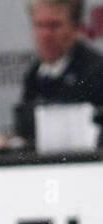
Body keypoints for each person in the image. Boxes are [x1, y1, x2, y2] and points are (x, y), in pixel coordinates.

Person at [16, 0, 103, 144]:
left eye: (54, 26)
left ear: (77, 29)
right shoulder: (34, 73)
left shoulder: (97, 72)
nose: (45, 35)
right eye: (39, 25)